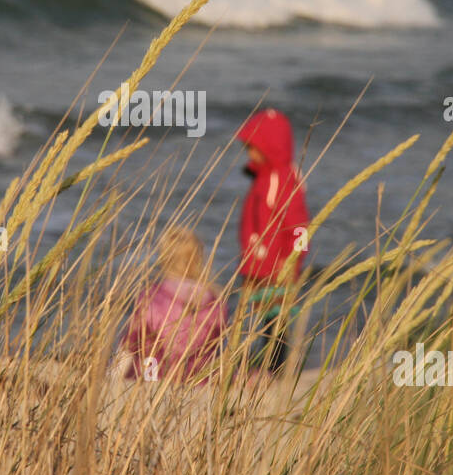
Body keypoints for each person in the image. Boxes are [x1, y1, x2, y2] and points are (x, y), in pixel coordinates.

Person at [235, 108, 309, 372]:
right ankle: (266, 362)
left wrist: (293, 261)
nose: (250, 154)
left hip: (277, 268)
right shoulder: (263, 177)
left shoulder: (282, 180)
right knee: (264, 317)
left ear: (271, 147)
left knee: (276, 322)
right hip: (258, 265)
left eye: (254, 148)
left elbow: (299, 228)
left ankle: (275, 367)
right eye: (249, 148)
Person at [112, 227, 228, 385]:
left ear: (164, 258)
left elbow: (130, 344)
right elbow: (218, 349)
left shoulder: (152, 297)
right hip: (199, 382)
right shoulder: (215, 302)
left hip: (151, 379)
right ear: (198, 258)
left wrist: (113, 379)